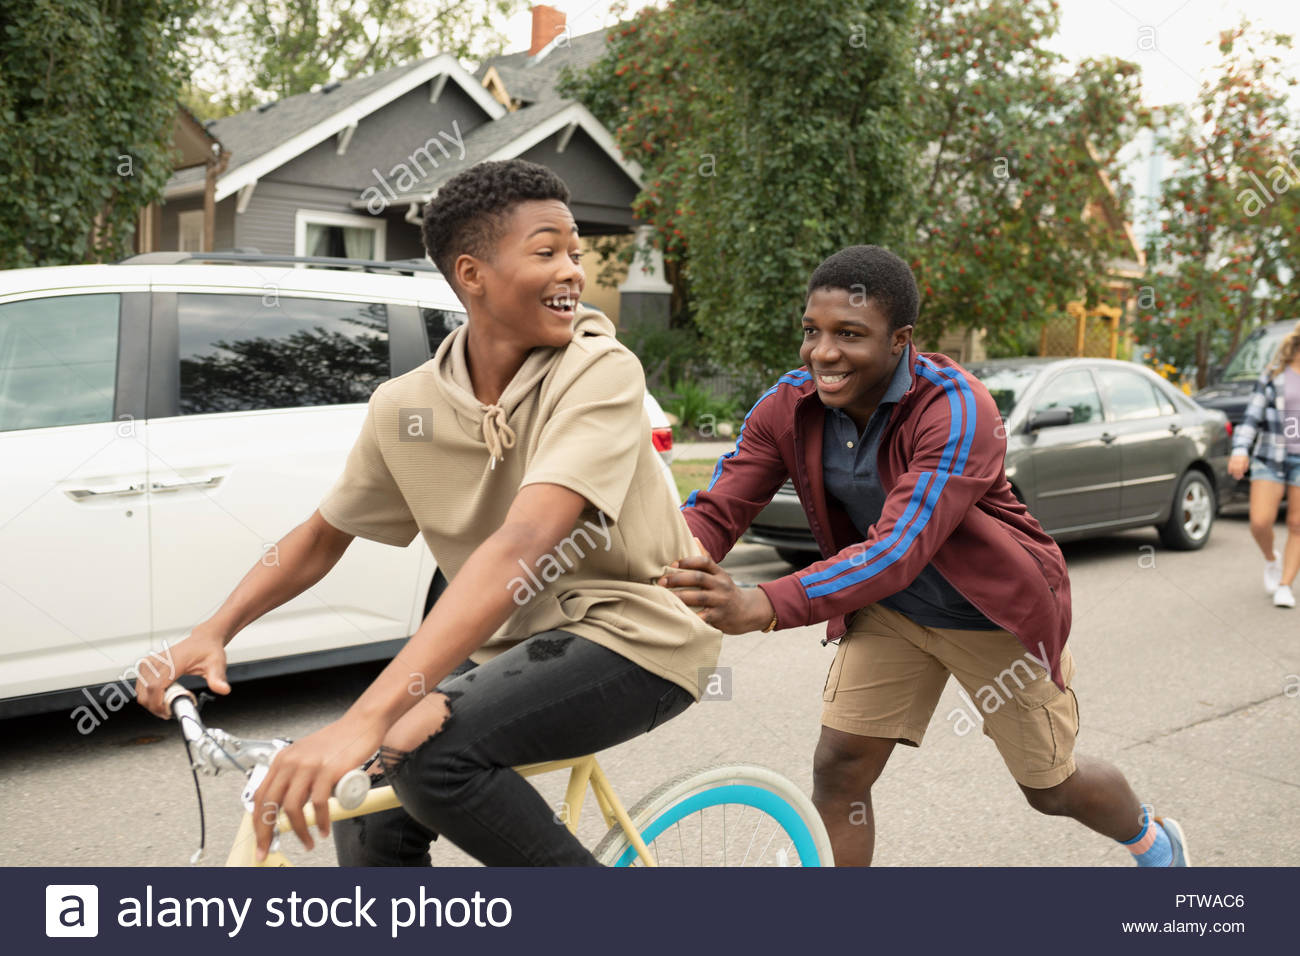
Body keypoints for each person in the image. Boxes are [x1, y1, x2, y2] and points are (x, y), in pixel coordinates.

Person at [137, 159, 720, 866]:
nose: (572, 270)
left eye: (574, 253)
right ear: (471, 274)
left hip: (640, 637)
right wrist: (214, 630)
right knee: (367, 799)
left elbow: (526, 542)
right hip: (516, 652)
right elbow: (324, 536)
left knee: (428, 759)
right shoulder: (406, 406)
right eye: (547, 252)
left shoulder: (599, 370)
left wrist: (364, 718)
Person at [661, 245, 1189, 867]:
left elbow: (899, 547)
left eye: (849, 335)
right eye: (812, 331)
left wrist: (763, 603)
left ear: (899, 340)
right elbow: (720, 507)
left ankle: (1154, 842)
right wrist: (667, 562)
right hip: (889, 611)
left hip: (991, 618)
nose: (822, 353)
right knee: (839, 771)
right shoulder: (791, 403)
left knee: (1050, 788)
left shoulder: (958, 408)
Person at [1228, 319, 1300, 609]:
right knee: (1260, 522)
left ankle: (1285, 584)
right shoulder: (1274, 374)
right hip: (1271, 455)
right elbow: (1251, 418)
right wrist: (1240, 449)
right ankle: (1271, 559)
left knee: (1297, 523)